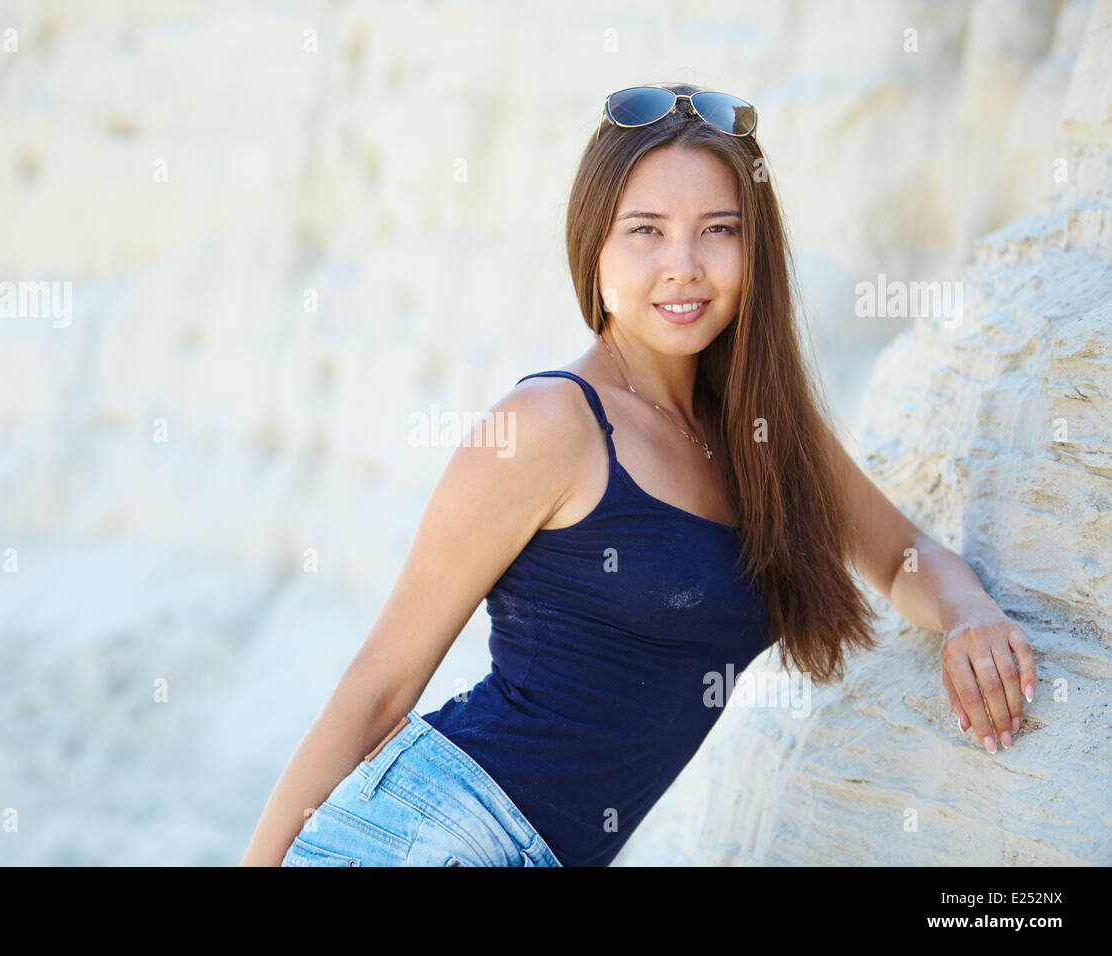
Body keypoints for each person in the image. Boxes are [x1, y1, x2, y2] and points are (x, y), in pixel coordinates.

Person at [240, 82, 1037, 867]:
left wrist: (968, 613)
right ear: (595, 247)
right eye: (646, 231)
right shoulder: (550, 425)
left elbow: (900, 556)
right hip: (431, 831)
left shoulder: (766, 435)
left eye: (717, 230)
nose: (683, 266)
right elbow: (379, 686)